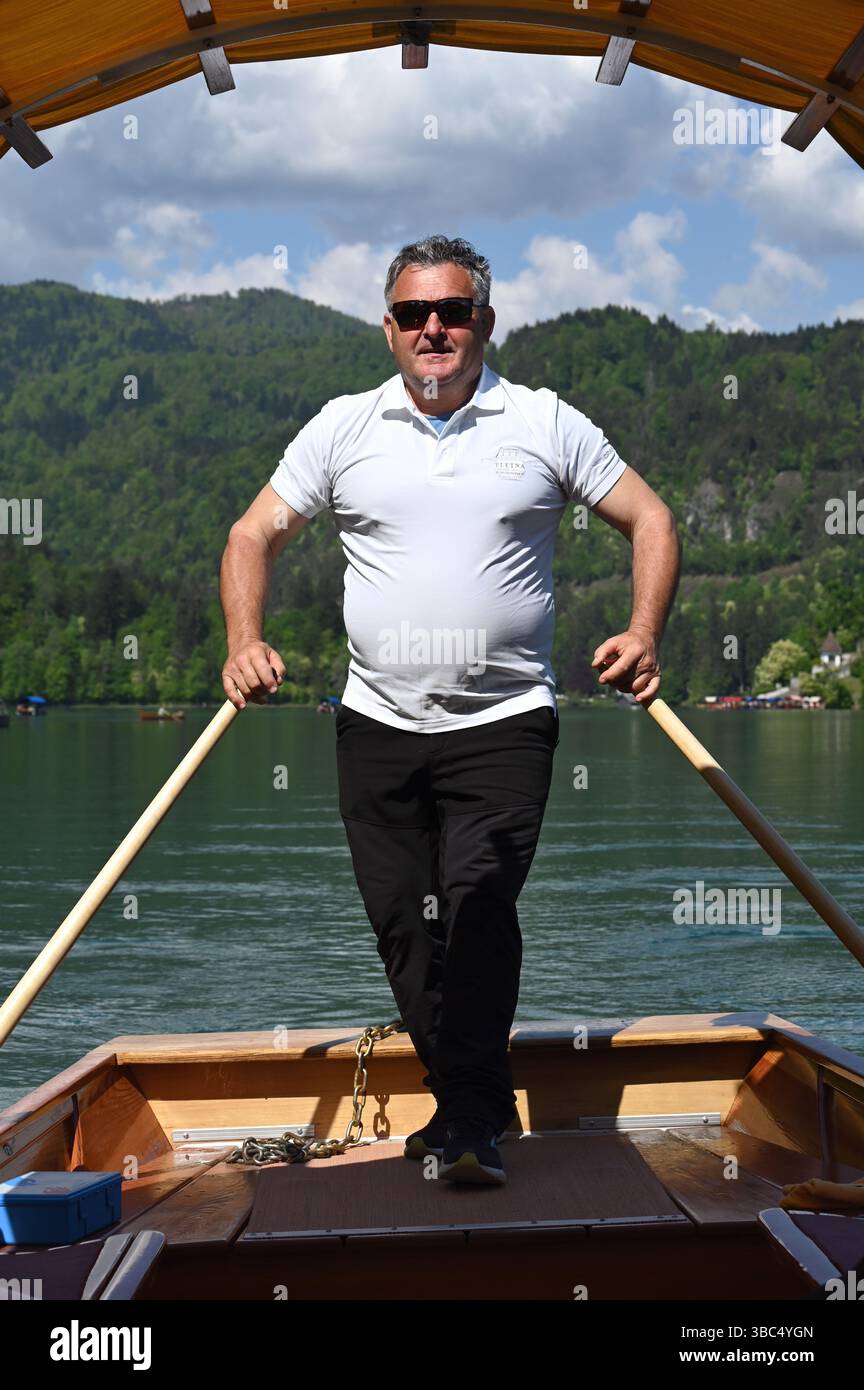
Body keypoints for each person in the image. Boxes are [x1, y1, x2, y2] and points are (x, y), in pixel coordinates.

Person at [219, 234, 680, 1185]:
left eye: (454, 311)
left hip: (503, 723)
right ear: (388, 328)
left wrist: (643, 631)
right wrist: (242, 640)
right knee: (403, 926)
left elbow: (652, 518)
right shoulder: (344, 426)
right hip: (376, 726)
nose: (436, 328)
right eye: (415, 314)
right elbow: (252, 533)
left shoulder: (545, 422)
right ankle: (468, 1099)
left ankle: (470, 1120)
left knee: (476, 906)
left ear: (485, 322)